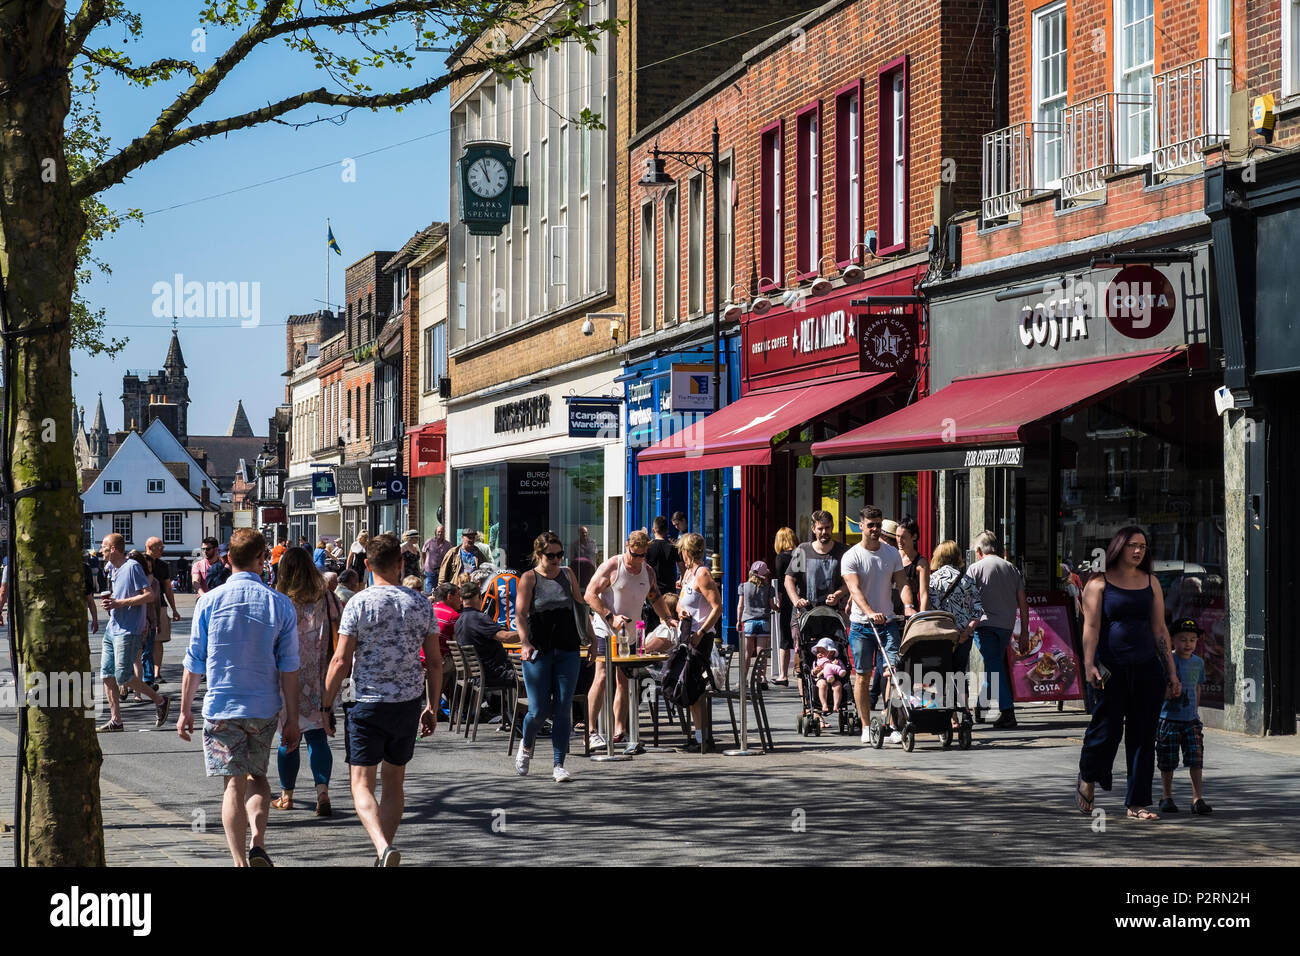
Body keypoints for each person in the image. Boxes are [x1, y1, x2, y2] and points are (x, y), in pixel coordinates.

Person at [177, 528, 301, 867]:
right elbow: (289, 667)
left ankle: (238, 862)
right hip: (263, 706)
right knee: (258, 777)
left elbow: (194, 661)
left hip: (221, 705)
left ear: (228, 558)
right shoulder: (280, 604)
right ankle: (258, 843)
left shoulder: (208, 602)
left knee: (232, 785)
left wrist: (185, 709)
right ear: (263, 560)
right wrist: (292, 717)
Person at [323, 533, 441, 866]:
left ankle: (381, 846)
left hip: (366, 702)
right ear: (401, 564)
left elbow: (340, 660)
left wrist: (325, 704)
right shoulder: (421, 603)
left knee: (361, 783)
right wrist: (431, 705)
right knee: (394, 783)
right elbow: (433, 661)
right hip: (406, 702)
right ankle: (384, 850)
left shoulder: (358, 603)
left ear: (367, 565)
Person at [1076, 526, 1182, 822]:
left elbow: (1160, 629)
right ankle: (1088, 776)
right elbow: (1091, 628)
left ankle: (1137, 802)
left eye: (1143, 547)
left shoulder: (1152, 583)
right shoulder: (1099, 584)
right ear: (1118, 547)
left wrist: (1171, 672)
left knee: (1143, 735)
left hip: (1148, 668)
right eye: (1132, 545)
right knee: (1106, 729)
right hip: (1111, 667)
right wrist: (1088, 664)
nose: (1138, 551)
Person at [265, 548, 342, 817]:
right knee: (318, 737)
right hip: (321, 677)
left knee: (289, 736)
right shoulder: (329, 599)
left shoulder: (279, 602)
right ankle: (322, 791)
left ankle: (286, 795)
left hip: (288, 677)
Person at [584, 531, 678, 747]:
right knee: (601, 676)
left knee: (624, 681)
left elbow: (655, 597)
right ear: (627, 546)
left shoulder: (647, 571)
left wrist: (667, 618)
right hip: (606, 631)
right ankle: (591, 731)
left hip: (630, 633)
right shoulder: (613, 566)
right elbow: (590, 594)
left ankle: (620, 730)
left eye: (642, 555)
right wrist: (610, 616)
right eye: (633, 554)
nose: (636, 560)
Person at [515, 531, 594, 780]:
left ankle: (558, 764)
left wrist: (592, 639)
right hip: (539, 648)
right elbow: (520, 614)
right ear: (539, 554)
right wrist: (524, 642)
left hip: (568, 648)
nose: (557, 559)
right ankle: (526, 745)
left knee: (563, 707)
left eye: (560, 554)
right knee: (538, 710)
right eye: (551, 555)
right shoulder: (529, 578)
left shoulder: (568, 574)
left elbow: (580, 608)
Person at [841, 506, 913, 745]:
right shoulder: (852, 556)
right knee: (863, 675)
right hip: (862, 625)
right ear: (861, 526)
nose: (875, 529)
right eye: (870, 525)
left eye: (878, 524)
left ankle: (891, 723)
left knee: (892, 672)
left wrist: (909, 605)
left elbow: (901, 583)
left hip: (889, 622)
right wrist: (870, 612)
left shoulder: (891, 554)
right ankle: (864, 725)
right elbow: (854, 589)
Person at [97, 535, 169, 732]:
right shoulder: (112, 568)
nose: (100, 550)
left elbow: (149, 595)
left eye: (103, 547)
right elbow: (119, 591)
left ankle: (160, 700)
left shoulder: (133, 567)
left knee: (123, 676)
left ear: (113, 549)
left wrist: (119, 603)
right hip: (113, 628)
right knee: (106, 674)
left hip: (129, 630)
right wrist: (112, 601)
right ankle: (116, 721)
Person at [968, 530, 1032, 728]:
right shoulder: (1012, 569)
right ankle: (980, 706)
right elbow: (1023, 603)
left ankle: (1007, 711)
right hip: (1006, 626)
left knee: (993, 666)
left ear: (979, 550)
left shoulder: (975, 569)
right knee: (993, 666)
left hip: (984, 625)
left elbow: (967, 600)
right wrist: (1025, 632)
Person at [1157, 619, 1212, 815]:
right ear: (1172, 640)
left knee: (1196, 759)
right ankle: (1166, 796)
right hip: (1168, 718)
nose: (1188, 644)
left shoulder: (1198, 662)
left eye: (1192, 640)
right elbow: (1157, 690)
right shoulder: (1166, 661)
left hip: (1191, 720)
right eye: (1182, 639)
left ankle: (1197, 798)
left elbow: (1197, 686)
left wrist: (1195, 710)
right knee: (1167, 760)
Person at [926, 541, 984, 722]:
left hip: (943, 636)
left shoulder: (933, 580)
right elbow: (978, 610)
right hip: (964, 637)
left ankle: (952, 718)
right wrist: (967, 631)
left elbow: (932, 609)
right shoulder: (967, 580)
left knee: (944, 673)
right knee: (960, 672)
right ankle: (965, 712)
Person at [675, 532, 722, 752]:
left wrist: (701, 632)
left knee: (694, 687)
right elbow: (680, 604)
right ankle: (698, 735)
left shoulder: (702, 573)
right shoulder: (687, 575)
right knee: (689, 686)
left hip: (700, 637)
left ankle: (703, 737)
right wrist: (680, 610)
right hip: (687, 634)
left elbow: (717, 608)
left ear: (687, 552)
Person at [454, 577, 518, 699]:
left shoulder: (459, 620)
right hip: (494, 674)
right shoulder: (479, 618)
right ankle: (522, 715)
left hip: (477, 674)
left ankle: (516, 715)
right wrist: (527, 633)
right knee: (529, 675)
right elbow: (505, 637)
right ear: (479, 597)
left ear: (461, 599)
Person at [144, 537, 181, 688]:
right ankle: (142, 673)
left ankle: (156, 672)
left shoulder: (163, 565)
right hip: (142, 606)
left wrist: (174, 609)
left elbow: (168, 588)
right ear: (149, 547)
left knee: (158, 641)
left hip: (160, 606)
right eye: (160, 547)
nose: (163, 550)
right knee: (142, 642)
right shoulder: (138, 563)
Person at [888, 517, 930, 619]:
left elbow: (924, 594)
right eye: (897, 536)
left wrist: (921, 618)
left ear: (914, 537)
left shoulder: (921, 563)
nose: (899, 540)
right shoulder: (891, 556)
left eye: (903, 537)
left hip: (909, 613)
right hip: (888, 611)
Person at [736, 560, 776, 664]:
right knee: (761, 654)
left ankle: (744, 678)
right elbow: (772, 605)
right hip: (764, 622)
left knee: (747, 653)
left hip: (749, 622)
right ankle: (762, 677)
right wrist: (778, 607)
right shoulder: (769, 588)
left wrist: (738, 621)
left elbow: (740, 605)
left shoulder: (743, 586)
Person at [772, 527, 797, 685]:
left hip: (788, 600)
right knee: (798, 637)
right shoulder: (800, 553)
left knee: (785, 638)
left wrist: (779, 599)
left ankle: (783, 674)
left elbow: (781, 583)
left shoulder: (780, 557)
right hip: (800, 598)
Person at [431, 582, 462, 711]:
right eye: (458, 596)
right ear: (449, 597)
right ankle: (437, 704)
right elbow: (458, 644)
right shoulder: (453, 616)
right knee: (457, 664)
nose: (461, 600)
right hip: (437, 662)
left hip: (419, 658)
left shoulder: (429, 609)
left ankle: (436, 704)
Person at [812, 638, 847, 714]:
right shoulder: (816, 662)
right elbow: (812, 673)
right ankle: (824, 704)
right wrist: (815, 671)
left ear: (831, 652)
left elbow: (843, 671)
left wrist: (837, 666)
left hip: (834, 679)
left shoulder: (836, 661)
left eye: (822, 652)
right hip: (821, 678)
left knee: (838, 685)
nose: (819, 654)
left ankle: (836, 705)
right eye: (818, 652)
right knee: (822, 684)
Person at [421, 526, 451, 593]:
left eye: (442, 532)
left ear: (444, 533)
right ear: (436, 532)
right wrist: (423, 565)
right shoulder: (429, 542)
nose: (440, 533)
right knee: (429, 590)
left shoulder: (448, 544)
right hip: (430, 570)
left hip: (441, 571)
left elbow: (451, 556)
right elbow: (423, 552)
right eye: (439, 532)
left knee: (441, 591)